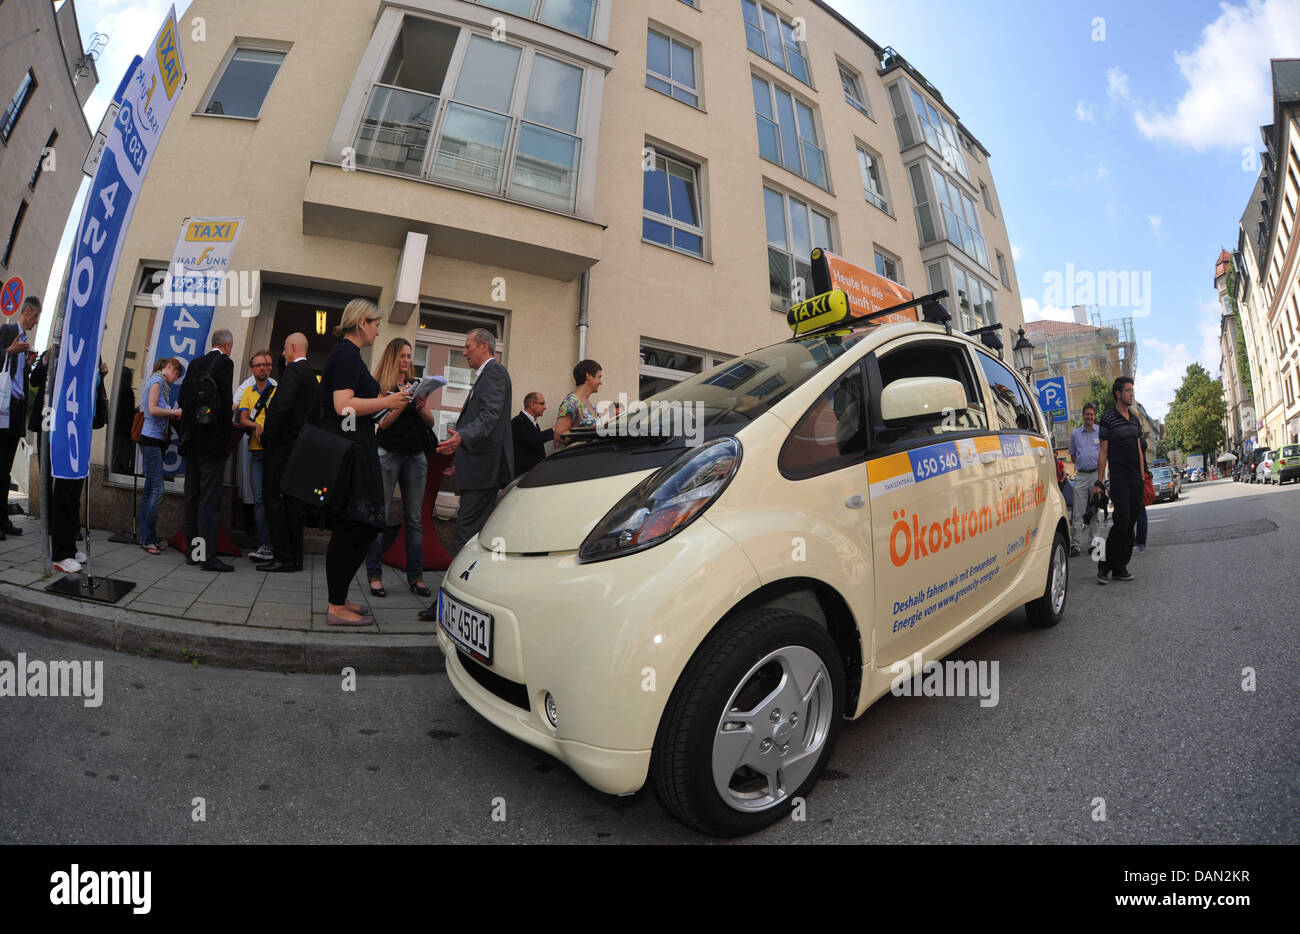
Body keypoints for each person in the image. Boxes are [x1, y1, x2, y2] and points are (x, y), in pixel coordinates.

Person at [320, 300, 410, 625]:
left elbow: (362, 410)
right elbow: (343, 405)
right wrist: (386, 400)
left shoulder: (350, 356)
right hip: (351, 455)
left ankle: (339, 598)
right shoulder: (345, 353)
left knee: (363, 527)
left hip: (360, 449)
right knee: (353, 527)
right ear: (361, 322)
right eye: (374, 323)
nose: (377, 328)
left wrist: (393, 402)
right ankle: (335, 606)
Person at [416, 328, 513, 622]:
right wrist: (462, 457)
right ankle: (470, 599)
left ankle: (450, 602)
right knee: (474, 537)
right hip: (479, 467)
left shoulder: (493, 372)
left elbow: (490, 416)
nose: (463, 351)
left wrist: (461, 439)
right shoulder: (487, 374)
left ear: (484, 346)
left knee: (464, 538)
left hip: (484, 472)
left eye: (467, 346)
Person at [364, 338, 437, 599]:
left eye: (409, 355)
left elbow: (430, 421)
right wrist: (402, 400)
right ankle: (374, 575)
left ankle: (415, 577)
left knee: (415, 519)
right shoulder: (382, 386)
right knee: (380, 515)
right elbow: (382, 423)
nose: (407, 360)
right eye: (402, 355)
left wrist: (418, 406)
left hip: (416, 456)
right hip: (388, 454)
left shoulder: (416, 386)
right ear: (393, 357)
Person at [259, 333, 317, 574]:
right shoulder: (313, 378)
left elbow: (280, 408)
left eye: (284, 348)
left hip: (281, 448)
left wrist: (267, 436)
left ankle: (282, 556)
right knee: (293, 504)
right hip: (302, 450)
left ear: (293, 347)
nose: (282, 353)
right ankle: (295, 558)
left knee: (272, 498)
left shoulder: (292, 372)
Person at [179, 329, 236, 572]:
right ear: (227, 346)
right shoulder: (225, 363)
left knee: (191, 496)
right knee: (209, 499)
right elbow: (224, 405)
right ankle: (208, 557)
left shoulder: (194, 363)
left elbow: (183, 399)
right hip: (213, 444)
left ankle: (193, 552)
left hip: (192, 441)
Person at [1094, 377, 1146, 585]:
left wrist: (1143, 477)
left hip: (1136, 480)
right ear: (1118, 393)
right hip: (1119, 480)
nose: (1132, 394)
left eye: (1133, 390)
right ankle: (1104, 565)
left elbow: (1140, 451)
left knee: (1130, 524)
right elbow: (1103, 451)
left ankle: (1120, 567)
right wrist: (1099, 482)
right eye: (1128, 390)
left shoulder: (1134, 420)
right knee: (1121, 522)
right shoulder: (1107, 419)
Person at [0, 295, 40, 540]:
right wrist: (8, 351)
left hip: (16, 411)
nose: (36, 321)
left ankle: (3, 519)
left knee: (6, 468)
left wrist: (28, 363)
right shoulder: (7, 331)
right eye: (35, 316)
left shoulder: (25, 340)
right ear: (27, 312)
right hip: (3, 407)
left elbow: (18, 378)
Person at [137, 358, 184, 554]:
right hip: (151, 439)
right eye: (176, 375)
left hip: (152, 439)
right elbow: (152, 409)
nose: (175, 380)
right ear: (171, 368)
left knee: (149, 490)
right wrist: (173, 412)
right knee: (157, 490)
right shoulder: (157, 381)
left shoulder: (159, 381)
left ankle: (145, 536)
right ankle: (148, 539)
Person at [236, 350, 277, 562]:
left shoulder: (278, 389)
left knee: (275, 499)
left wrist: (268, 429)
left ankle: (278, 544)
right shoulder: (248, 392)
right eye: (259, 365)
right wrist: (256, 425)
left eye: (266, 364)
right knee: (259, 499)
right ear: (253, 369)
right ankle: (265, 545)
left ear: (271, 367)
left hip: (275, 453)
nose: (263, 368)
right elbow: (243, 418)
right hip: (256, 451)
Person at [1069, 402, 1102, 558]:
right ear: (1083, 416)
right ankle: (1075, 545)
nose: (1089, 417)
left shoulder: (1100, 432)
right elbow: (1073, 455)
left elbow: (1104, 454)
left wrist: (1101, 479)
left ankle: (1094, 545)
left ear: (1094, 416)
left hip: (1096, 475)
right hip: (1081, 476)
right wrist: (1082, 464)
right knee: (1078, 511)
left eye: (1091, 414)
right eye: (1087, 414)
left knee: (1095, 510)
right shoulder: (1075, 434)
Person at [554, 359, 601, 449]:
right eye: (599, 377)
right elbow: (559, 435)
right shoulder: (571, 402)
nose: (601, 382)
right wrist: (587, 438)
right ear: (588, 375)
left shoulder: (590, 405)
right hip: (574, 459)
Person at [511, 391, 552, 476]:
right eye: (542, 404)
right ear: (532, 404)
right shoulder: (517, 422)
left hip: (535, 472)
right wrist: (554, 430)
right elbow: (533, 439)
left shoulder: (534, 423)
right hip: (524, 475)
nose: (545, 408)